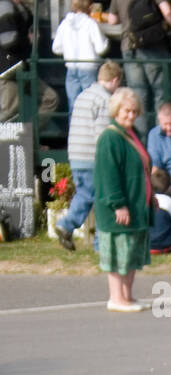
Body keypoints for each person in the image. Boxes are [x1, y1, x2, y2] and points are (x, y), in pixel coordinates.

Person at [54, 60, 123, 251]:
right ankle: (95, 239)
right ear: (116, 80)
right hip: (93, 156)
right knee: (101, 198)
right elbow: (102, 133)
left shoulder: (83, 96)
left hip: (76, 154)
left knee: (85, 193)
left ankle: (70, 227)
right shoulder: (105, 100)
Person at [94, 87, 151, 311]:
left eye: (135, 111)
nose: (131, 115)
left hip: (138, 206)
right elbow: (109, 176)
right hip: (120, 209)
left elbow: (143, 168)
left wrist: (152, 196)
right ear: (116, 110)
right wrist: (118, 204)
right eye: (127, 111)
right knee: (118, 255)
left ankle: (127, 296)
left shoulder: (132, 134)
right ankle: (116, 298)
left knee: (131, 255)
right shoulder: (110, 138)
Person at [107, 0, 171, 128]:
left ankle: (139, 143)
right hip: (152, 46)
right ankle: (160, 139)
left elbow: (112, 20)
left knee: (137, 98)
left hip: (128, 46)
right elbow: (168, 12)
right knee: (161, 94)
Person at [0, 0, 59, 125]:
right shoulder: (5, 7)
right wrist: (29, 39)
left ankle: (29, 136)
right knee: (10, 111)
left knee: (50, 98)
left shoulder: (22, 8)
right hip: (7, 69)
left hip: (20, 67)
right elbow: (7, 40)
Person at [52, 0, 107, 107]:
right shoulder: (91, 24)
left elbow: (56, 48)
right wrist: (106, 41)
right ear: (90, 7)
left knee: (73, 104)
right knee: (90, 104)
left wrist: (68, 50)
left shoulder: (65, 24)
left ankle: (73, 124)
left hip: (71, 67)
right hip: (89, 67)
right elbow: (101, 48)